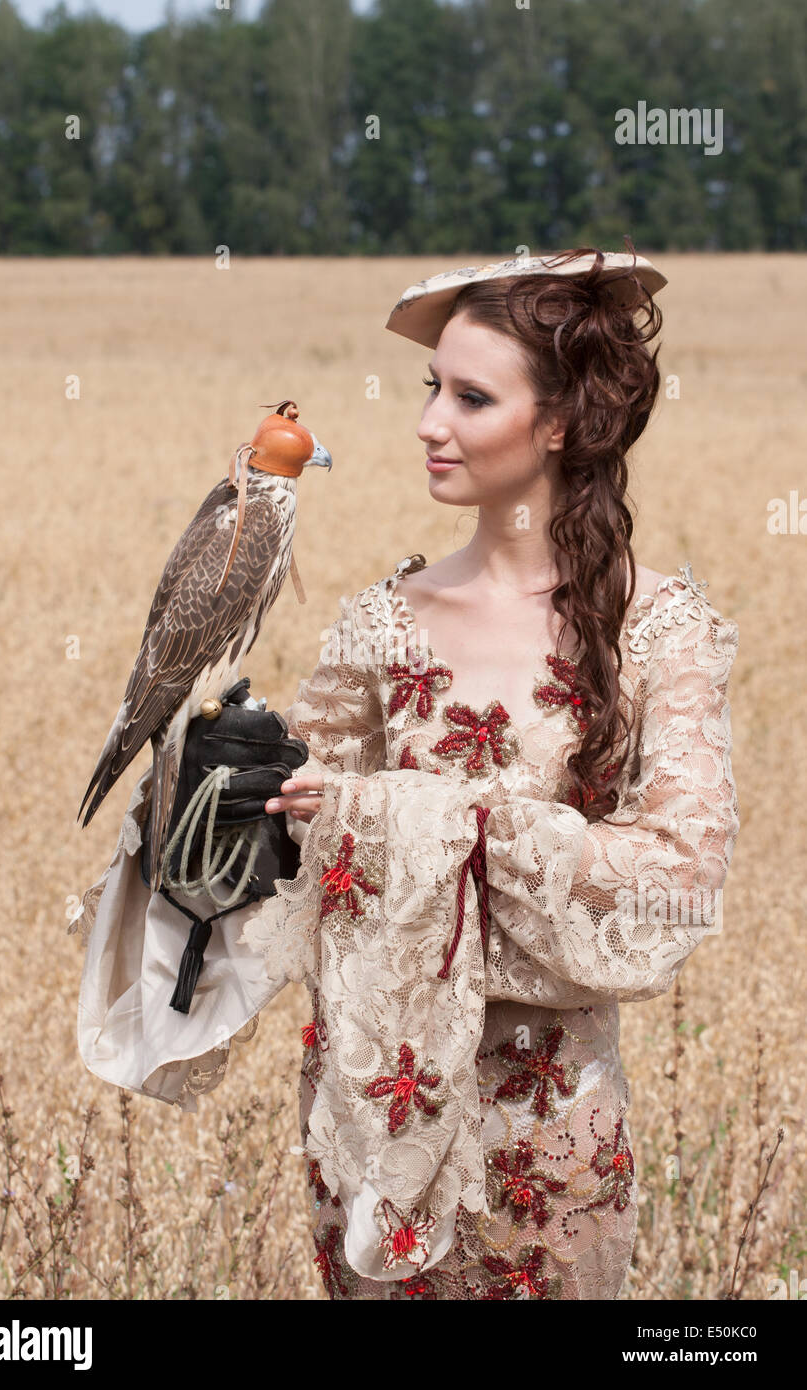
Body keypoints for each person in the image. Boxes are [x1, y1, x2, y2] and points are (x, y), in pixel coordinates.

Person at [73, 245, 740, 1300]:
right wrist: (213, 817)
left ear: (562, 422)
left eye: (469, 396)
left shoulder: (660, 630)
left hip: (545, 1148)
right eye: (432, 388)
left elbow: (677, 875)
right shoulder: (378, 625)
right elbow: (293, 873)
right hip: (368, 1139)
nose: (427, 422)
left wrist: (397, 817)